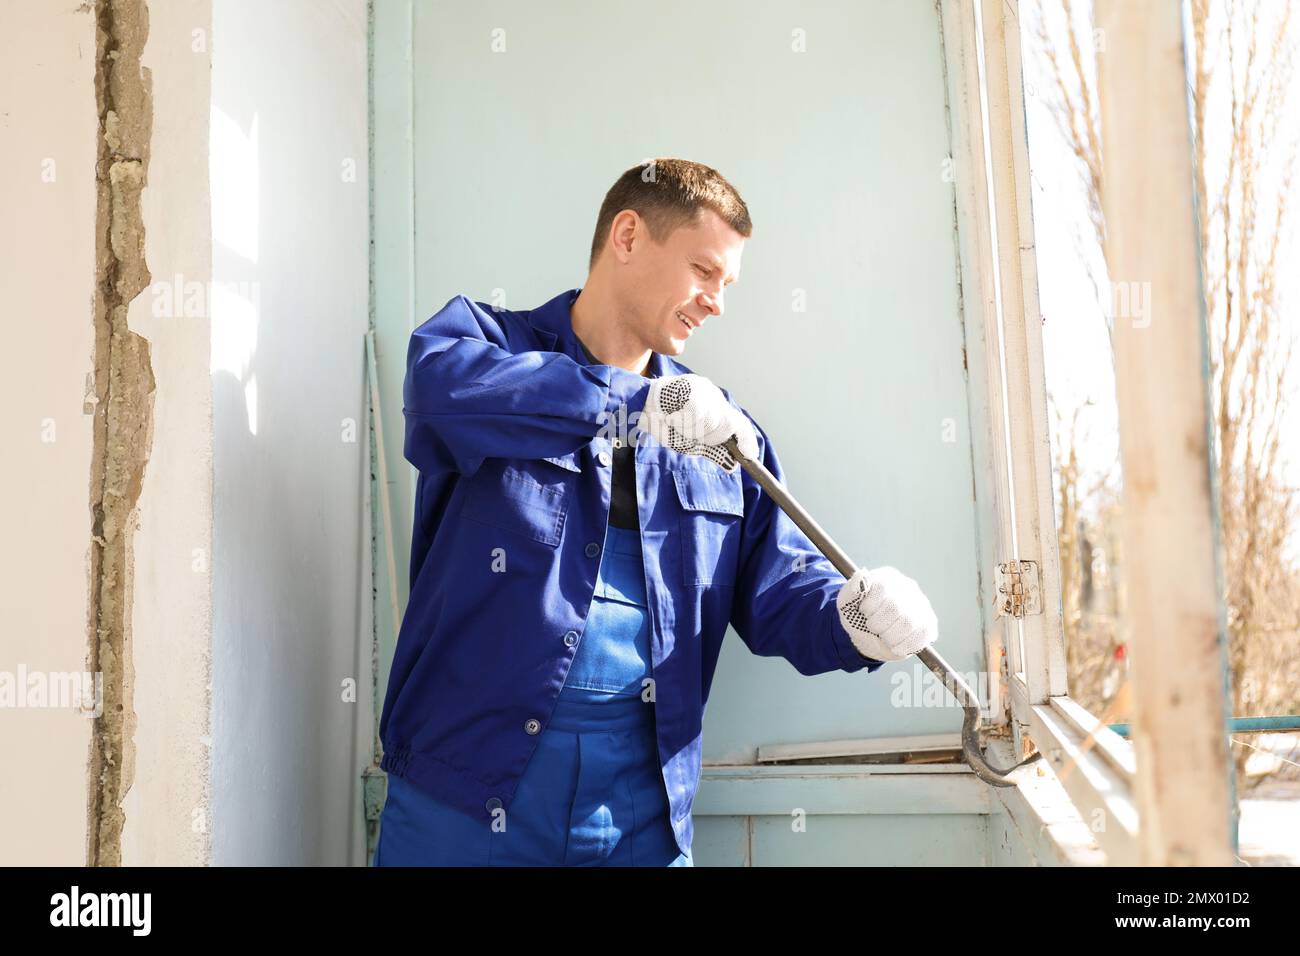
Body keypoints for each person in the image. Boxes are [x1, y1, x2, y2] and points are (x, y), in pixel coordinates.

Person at [372, 158, 939, 867]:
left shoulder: (725, 433)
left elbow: (778, 598)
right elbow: (438, 394)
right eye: (705, 270)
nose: (716, 302)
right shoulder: (483, 345)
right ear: (629, 235)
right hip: (462, 793)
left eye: (727, 285)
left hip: (638, 812)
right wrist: (630, 405)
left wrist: (857, 623)